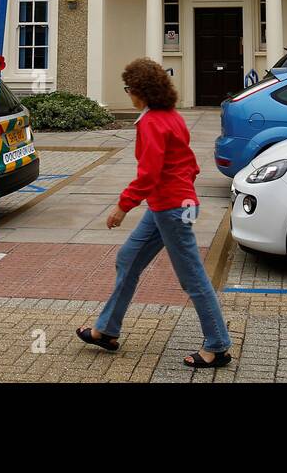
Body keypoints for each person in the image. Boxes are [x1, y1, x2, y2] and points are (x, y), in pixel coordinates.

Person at [77, 58, 232, 369]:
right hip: (171, 206)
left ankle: (217, 346)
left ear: (141, 92)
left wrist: (123, 206)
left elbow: (148, 175)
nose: (128, 95)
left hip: (172, 209)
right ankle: (106, 330)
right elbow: (189, 163)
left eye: (129, 89)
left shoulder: (151, 123)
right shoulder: (171, 117)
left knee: (193, 278)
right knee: (129, 258)